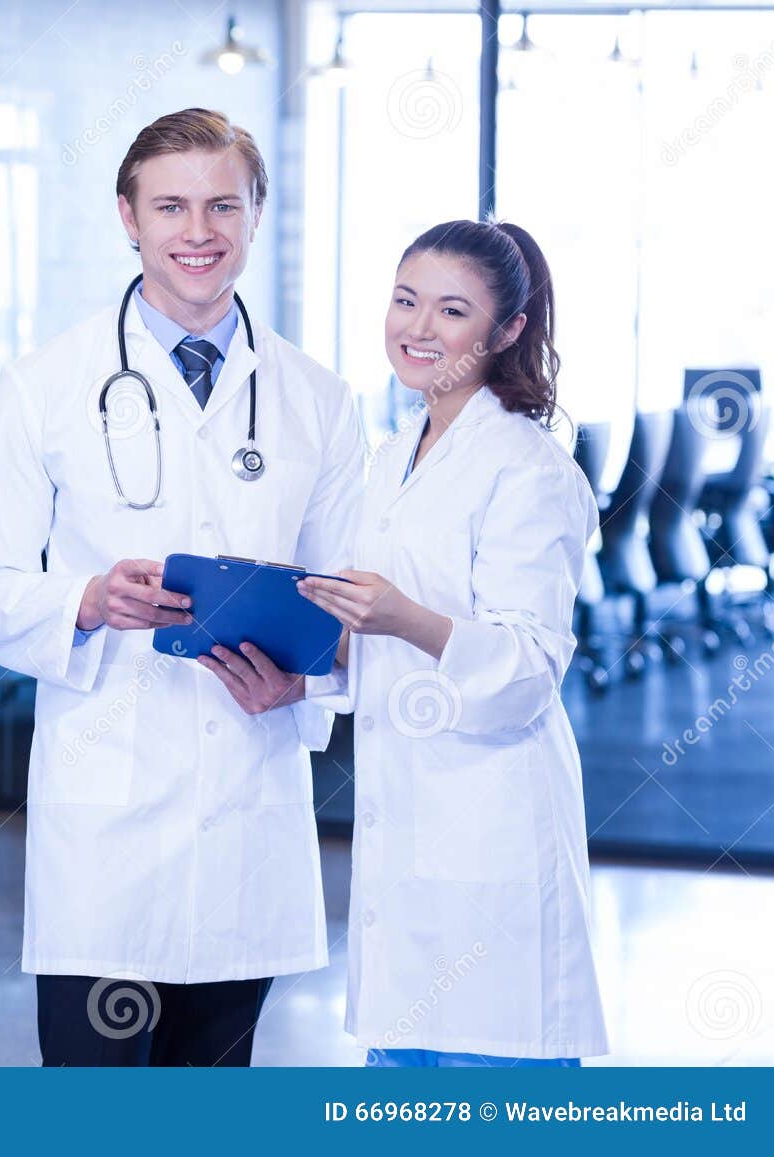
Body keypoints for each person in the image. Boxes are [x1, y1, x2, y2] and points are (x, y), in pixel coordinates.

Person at [0, 109, 365, 1066]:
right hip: (108, 817)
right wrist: (87, 601)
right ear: (127, 218)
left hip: (247, 799)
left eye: (224, 204)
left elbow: (348, 600)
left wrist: (306, 683)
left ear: (257, 215)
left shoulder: (317, 399)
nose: (199, 230)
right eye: (171, 205)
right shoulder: (46, 383)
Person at [297, 219, 609, 1066]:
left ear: (506, 331)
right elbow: (375, 637)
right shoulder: (396, 452)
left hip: (492, 830)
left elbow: (529, 669)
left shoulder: (530, 468)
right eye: (405, 301)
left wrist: (403, 616)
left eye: (451, 310)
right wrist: (301, 668)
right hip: (404, 835)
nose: (418, 329)